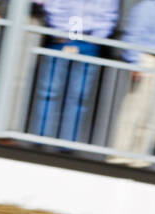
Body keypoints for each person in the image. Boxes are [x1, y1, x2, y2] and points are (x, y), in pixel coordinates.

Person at [29, 0, 121, 142]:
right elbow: (53, 7)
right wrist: (62, 34)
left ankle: (68, 142)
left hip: (89, 42)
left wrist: (94, 39)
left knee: (79, 96)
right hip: (60, 39)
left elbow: (109, 16)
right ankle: (40, 138)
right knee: (49, 91)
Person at [107, 0, 155, 168]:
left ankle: (140, 156)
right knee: (135, 109)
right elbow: (133, 36)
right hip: (147, 60)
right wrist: (135, 62)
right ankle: (121, 153)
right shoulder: (146, 8)